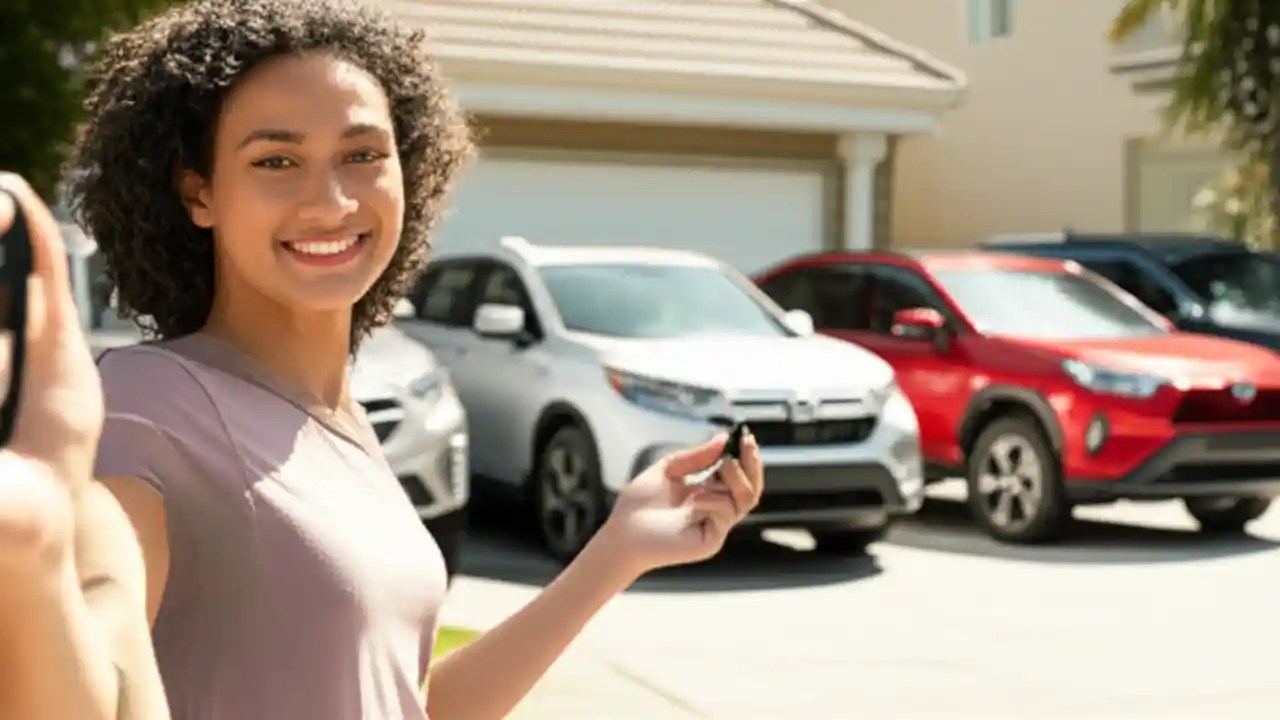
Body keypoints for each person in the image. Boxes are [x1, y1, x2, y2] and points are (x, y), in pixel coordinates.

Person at [0, 0, 764, 719]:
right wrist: (29, 557)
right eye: (275, 161)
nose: (330, 200)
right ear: (199, 195)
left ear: (410, 169)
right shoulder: (151, 401)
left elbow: (405, 704)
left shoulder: (343, 423)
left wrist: (617, 551)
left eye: (362, 153)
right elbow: (92, 683)